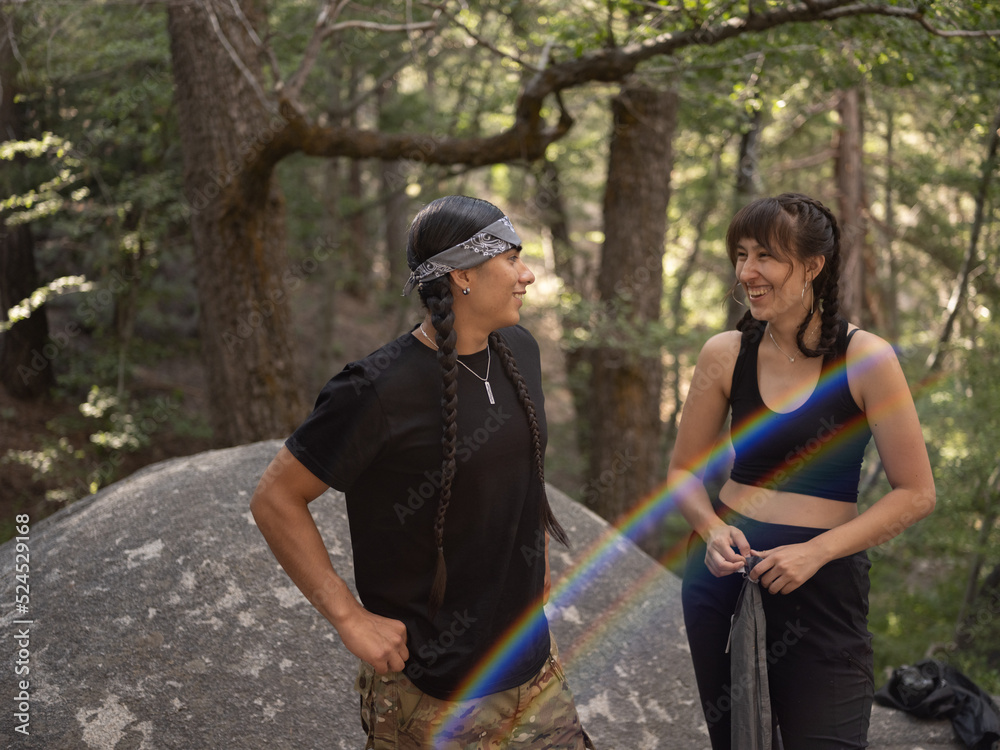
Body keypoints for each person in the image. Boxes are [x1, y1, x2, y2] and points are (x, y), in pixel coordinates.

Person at [250, 195, 593, 749]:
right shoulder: (375, 390)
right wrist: (347, 616)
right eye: (511, 259)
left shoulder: (519, 350)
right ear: (462, 275)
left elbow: (520, 474)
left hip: (532, 667)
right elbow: (274, 499)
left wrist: (536, 558)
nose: (527, 275)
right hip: (432, 693)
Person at [666, 193, 936, 749]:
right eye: (740, 255)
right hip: (725, 579)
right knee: (740, 738)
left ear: (813, 266)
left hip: (823, 582)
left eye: (765, 256)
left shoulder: (866, 359)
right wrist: (712, 531)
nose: (747, 272)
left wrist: (816, 552)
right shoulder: (725, 353)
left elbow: (916, 494)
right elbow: (681, 474)